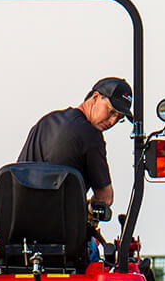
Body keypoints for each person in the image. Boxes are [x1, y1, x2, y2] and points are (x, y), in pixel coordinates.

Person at [17, 77, 134, 214]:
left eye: (119, 118)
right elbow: (105, 198)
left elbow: (19, 172)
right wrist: (89, 207)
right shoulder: (92, 136)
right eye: (111, 111)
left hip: (19, 219)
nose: (112, 121)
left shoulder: (46, 121)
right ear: (95, 97)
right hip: (59, 228)